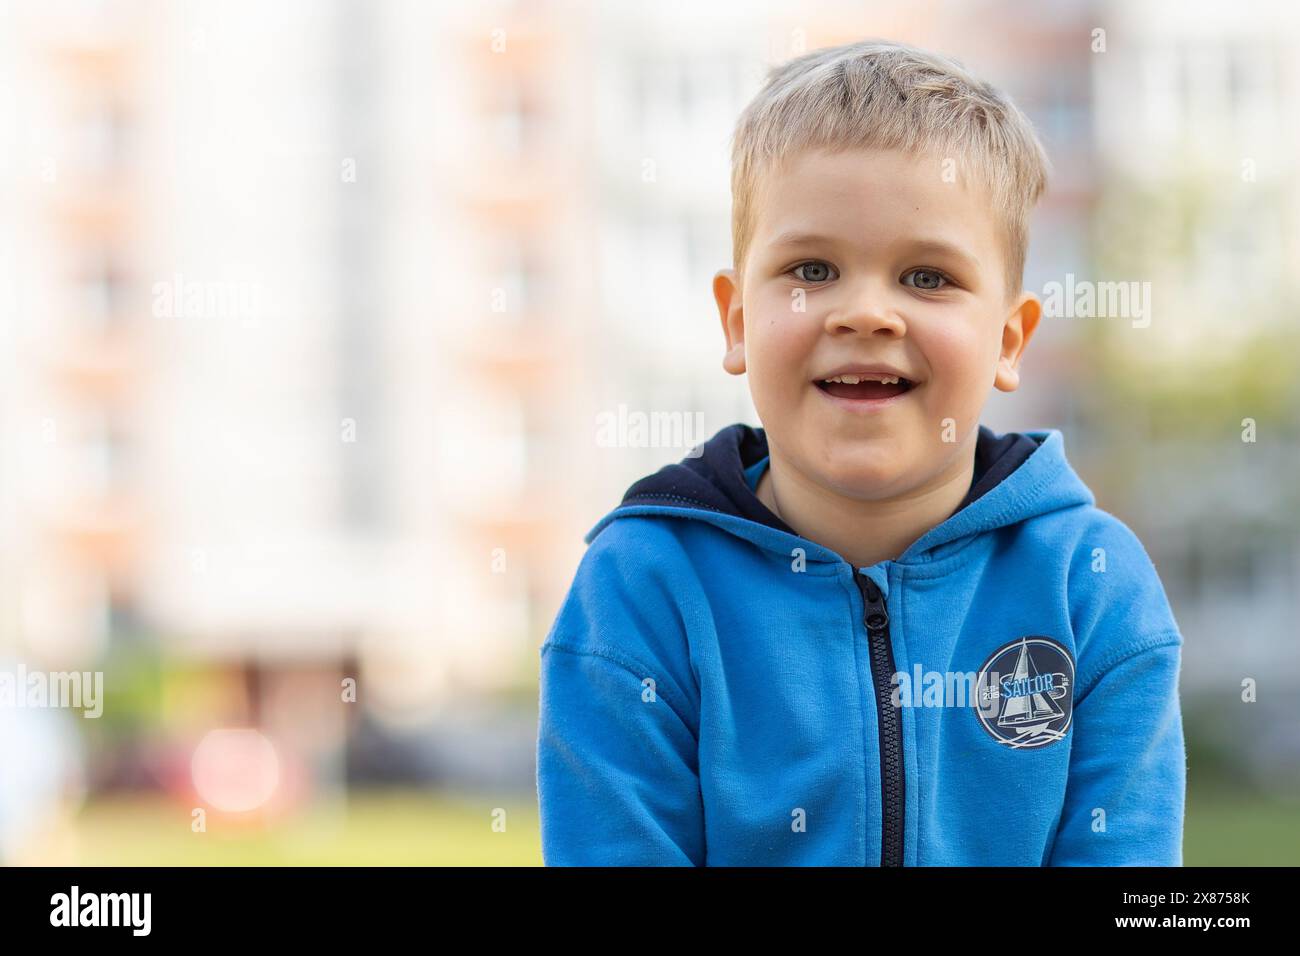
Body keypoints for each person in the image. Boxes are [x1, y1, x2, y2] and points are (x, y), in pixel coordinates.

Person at [536, 38, 1185, 866]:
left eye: (927, 277)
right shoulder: (639, 590)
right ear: (737, 323)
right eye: (813, 269)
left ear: (1009, 340)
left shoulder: (1090, 586)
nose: (866, 314)